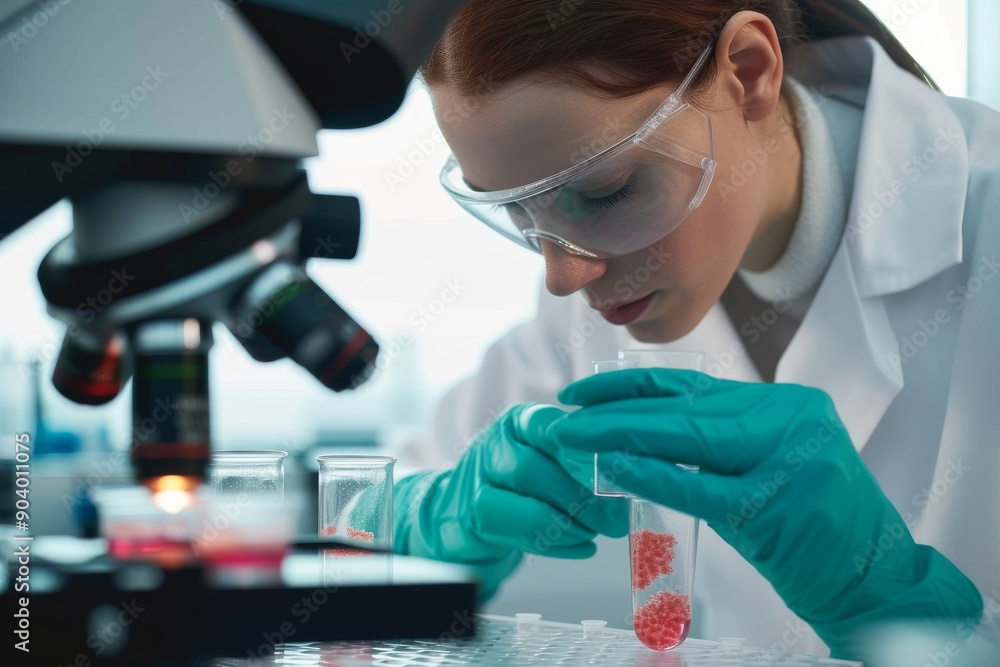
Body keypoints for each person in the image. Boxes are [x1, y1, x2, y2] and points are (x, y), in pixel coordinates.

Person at [391, 0, 1000, 662]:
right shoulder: (605, 281)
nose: (562, 276)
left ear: (748, 71)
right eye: (518, 209)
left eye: (604, 192)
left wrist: (900, 601)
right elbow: (360, 514)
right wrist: (437, 519)